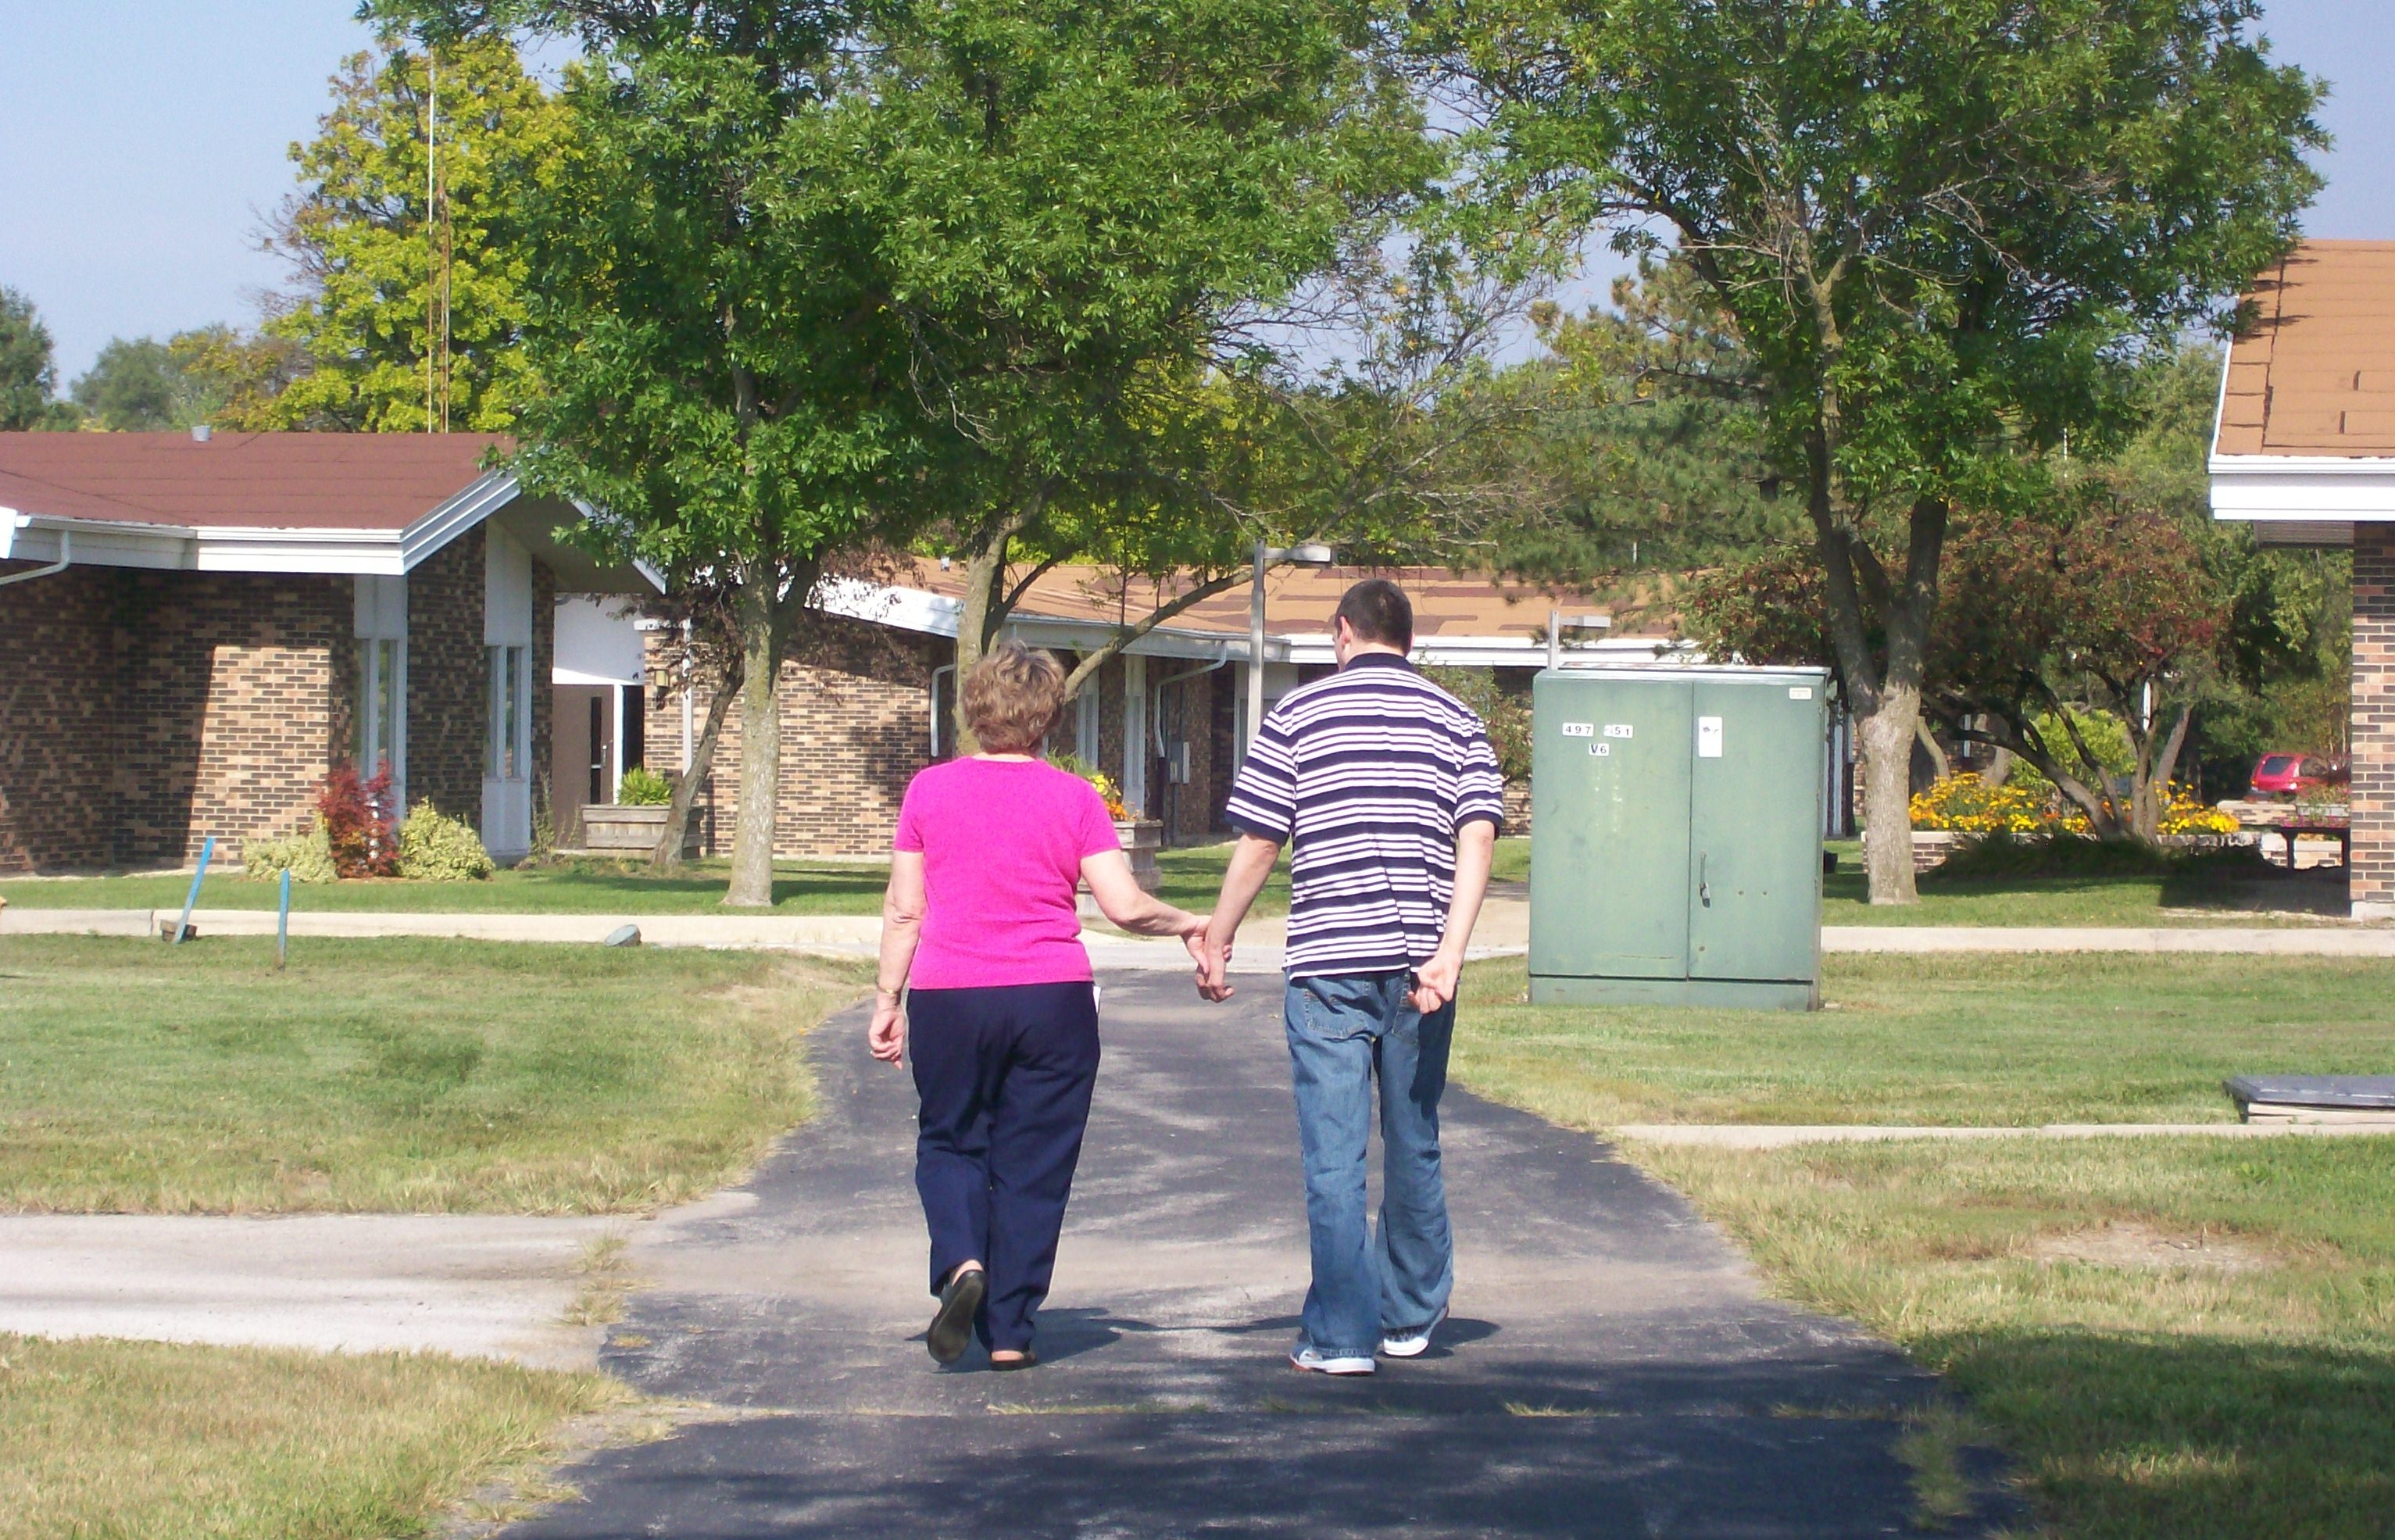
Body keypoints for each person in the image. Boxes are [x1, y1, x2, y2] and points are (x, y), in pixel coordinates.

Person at [870, 640, 1211, 1369]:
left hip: (951, 994)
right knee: (1035, 1161)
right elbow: (1120, 906)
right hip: (1050, 997)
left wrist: (886, 999)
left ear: (974, 710)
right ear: (1050, 717)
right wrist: (1187, 923)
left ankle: (963, 1262)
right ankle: (1012, 1331)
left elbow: (905, 910)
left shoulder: (928, 791)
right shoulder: (1074, 797)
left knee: (951, 1137)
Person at [1197, 577, 1502, 1376]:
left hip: (1328, 962)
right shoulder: (1457, 721)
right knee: (1413, 1136)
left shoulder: (1296, 717)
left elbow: (1261, 840)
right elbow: (1476, 840)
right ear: (1407, 638)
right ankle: (1406, 1317)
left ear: (1343, 633)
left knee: (1333, 1153)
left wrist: (1218, 936)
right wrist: (1452, 949)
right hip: (1421, 966)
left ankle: (1339, 1337)